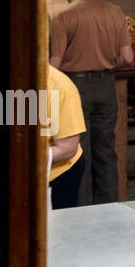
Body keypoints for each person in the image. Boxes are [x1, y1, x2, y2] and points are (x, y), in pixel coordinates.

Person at [49, 0, 134, 205]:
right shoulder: (115, 12)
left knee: (78, 153)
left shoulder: (63, 16)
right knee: (106, 149)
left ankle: (82, 210)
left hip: (74, 89)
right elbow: (127, 57)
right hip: (107, 86)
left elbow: (54, 63)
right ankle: (110, 207)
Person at [45, 65, 87, 209]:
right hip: (17, 174)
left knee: (53, 228)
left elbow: (68, 148)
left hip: (57, 174)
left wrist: (21, 159)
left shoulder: (59, 86)